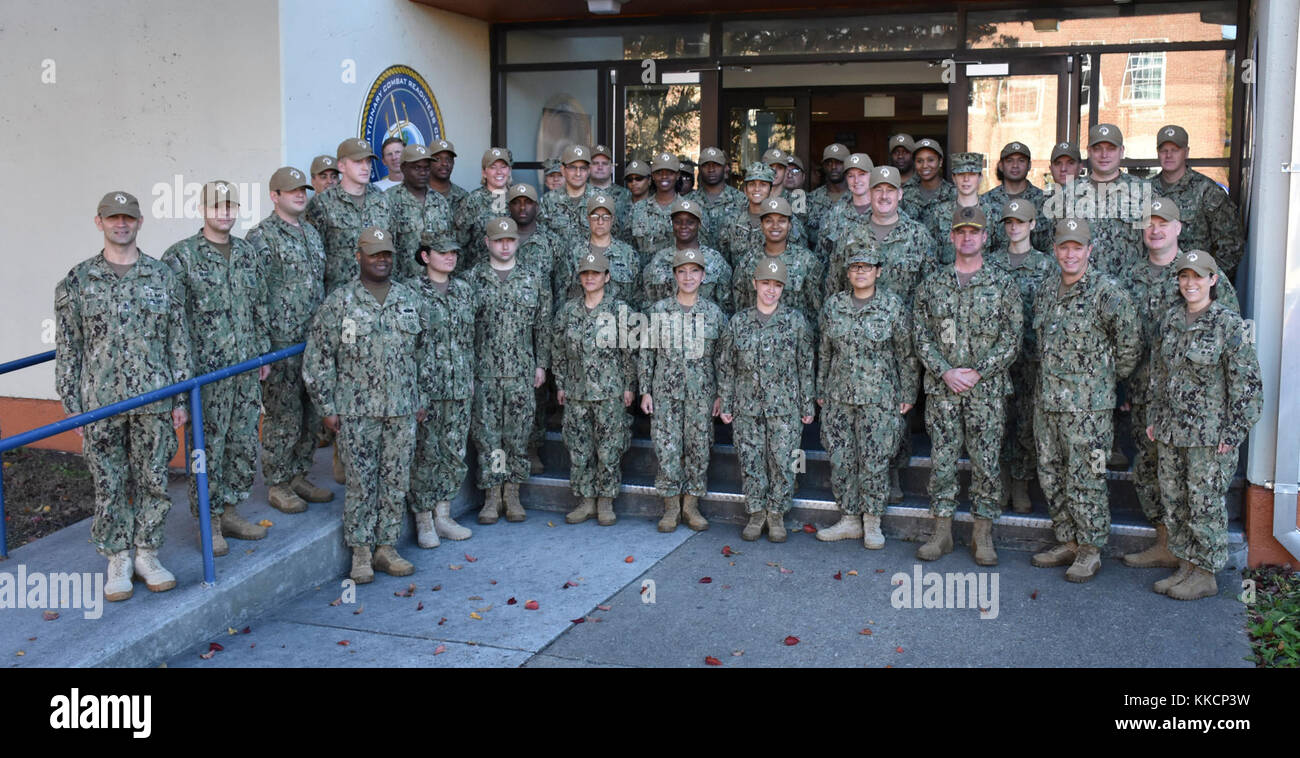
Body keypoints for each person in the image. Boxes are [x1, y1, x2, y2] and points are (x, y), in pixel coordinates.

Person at [55, 191, 191, 600]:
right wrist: (73, 407)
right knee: (109, 482)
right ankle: (117, 557)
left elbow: (178, 341)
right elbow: (69, 349)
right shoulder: (77, 281)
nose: (121, 224)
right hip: (101, 402)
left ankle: (147, 553)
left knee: (153, 479)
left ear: (139, 222)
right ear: (99, 222)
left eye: (128, 218)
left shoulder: (162, 276)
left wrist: (180, 398)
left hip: (154, 399)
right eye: (113, 218)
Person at [1121, 197, 1240, 569]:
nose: (1155, 230)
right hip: (1147, 397)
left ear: (1178, 228)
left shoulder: (1199, 272)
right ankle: (1166, 543)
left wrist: (1228, 414)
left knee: (1195, 484)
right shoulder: (1131, 276)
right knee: (1151, 474)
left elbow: (1231, 344)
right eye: (1149, 223)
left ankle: (1196, 561)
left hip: (1197, 408)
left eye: (1163, 223)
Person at [302, 227, 426, 583]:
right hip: (356, 411)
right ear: (359, 257)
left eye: (387, 253)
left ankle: (386, 546)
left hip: (402, 408)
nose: (382, 259)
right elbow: (319, 359)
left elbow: (425, 353)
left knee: (395, 479)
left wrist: (421, 398)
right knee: (361, 483)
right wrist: (326, 406)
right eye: (374, 254)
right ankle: (360, 552)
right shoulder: (340, 302)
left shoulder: (409, 299)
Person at [162, 181, 271, 555]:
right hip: (205, 375)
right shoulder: (181, 257)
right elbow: (172, 322)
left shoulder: (245, 252)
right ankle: (207, 521)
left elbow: (259, 305)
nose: (224, 212)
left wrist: (262, 355)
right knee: (207, 447)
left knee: (241, 442)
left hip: (243, 369)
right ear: (203, 210)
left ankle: (230, 511)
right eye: (217, 206)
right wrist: (181, 377)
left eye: (230, 205)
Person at [1146, 251, 1261, 600]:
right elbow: (1158, 374)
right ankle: (1187, 566)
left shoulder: (1228, 324)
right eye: (1184, 276)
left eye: (1198, 276)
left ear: (1213, 280)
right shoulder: (1170, 321)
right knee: (1176, 501)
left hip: (1209, 437)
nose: (1190, 283)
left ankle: (1206, 573)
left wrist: (1233, 431)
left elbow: (1248, 385)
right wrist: (1153, 417)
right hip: (1171, 430)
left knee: (1205, 504)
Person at [1030, 218, 1141, 582]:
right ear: (1055, 250)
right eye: (1064, 246)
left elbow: (1129, 346)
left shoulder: (1108, 293)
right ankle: (1068, 540)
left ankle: (1090, 549)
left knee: (1087, 478)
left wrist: (1102, 382)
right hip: (1047, 402)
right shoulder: (1047, 289)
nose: (1070, 254)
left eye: (1077, 247)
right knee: (1051, 474)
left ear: (1089, 251)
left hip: (1088, 409)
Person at [912, 205, 1022, 566]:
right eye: (961, 231)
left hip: (985, 390)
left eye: (974, 231)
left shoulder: (1003, 284)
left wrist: (979, 371)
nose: (967, 237)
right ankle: (941, 532)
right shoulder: (933, 284)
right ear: (952, 237)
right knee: (942, 460)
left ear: (986, 237)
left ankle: (982, 534)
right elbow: (921, 335)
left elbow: (1012, 337)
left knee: (986, 461)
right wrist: (945, 371)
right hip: (943, 389)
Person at [814, 244, 918, 549]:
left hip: (880, 397)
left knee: (874, 460)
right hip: (838, 395)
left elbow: (906, 354)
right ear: (848, 272)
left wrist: (908, 391)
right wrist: (820, 389)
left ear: (878, 271)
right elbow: (825, 350)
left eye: (867, 266)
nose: (860, 271)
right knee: (841, 458)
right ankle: (849, 519)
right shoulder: (834, 306)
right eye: (855, 267)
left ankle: (872, 522)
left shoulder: (893, 306)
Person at [246, 167, 333, 515]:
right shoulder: (262, 237)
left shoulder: (311, 233)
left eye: (303, 189)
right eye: (291, 190)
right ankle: (278, 482)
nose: (300, 194)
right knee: (284, 415)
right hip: (281, 344)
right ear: (275, 196)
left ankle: (299, 474)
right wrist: (263, 350)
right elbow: (256, 296)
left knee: (310, 414)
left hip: (313, 341)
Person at [717, 257, 816, 542]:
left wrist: (807, 404)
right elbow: (726, 365)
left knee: (784, 461)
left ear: (783, 288)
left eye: (776, 285)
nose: (770, 290)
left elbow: (805, 364)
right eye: (765, 284)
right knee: (751, 460)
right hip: (747, 406)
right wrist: (726, 401)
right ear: (754, 284)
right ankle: (756, 512)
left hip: (785, 406)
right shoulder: (738, 323)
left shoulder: (795, 322)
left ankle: (776, 514)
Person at [466, 217, 551, 524]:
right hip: (484, 372)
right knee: (488, 438)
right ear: (487, 243)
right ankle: (492, 495)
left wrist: (542, 363)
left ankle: (512, 493)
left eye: (510, 240)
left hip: (521, 371)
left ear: (517, 243)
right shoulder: (472, 279)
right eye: (498, 240)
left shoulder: (532, 279)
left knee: (517, 436)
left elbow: (543, 324)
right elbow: (464, 331)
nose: (504, 245)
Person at [640, 248, 727, 532]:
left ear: (703, 276)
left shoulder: (714, 314)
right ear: (674, 275)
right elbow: (646, 352)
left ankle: (691, 506)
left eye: (694, 271)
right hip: (665, 393)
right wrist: (645, 390)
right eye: (682, 271)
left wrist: (720, 394)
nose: (688, 277)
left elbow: (722, 358)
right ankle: (670, 506)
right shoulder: (658, 311)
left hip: (701, 395)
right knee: (667, 449)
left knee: (698, 448)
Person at [553, 250, 636, 526]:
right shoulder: (568, 311)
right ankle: (585, 499)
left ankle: (606, 501)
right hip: (577, 391)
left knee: (609, 447)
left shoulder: (619, 311)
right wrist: (561, 383)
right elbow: (559, 350)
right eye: (586, 274)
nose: (590, 278)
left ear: (606, 277)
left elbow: (629, 352)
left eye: (596, 273)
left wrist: (629, 385)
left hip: (610, 390)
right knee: (579, 447)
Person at [985, 199, 1057, 513]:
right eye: (1009, 222)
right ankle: (1000, 480)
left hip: (1032, 355)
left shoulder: (1047, 265)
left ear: (1032, 225)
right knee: (997, 420)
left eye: (1021, 222)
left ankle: (1021, 483)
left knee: (1027, 422)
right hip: (996, 355)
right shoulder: (990, 263)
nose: (1014, 227)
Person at [407, 235, 475, 548]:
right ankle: (423, 520)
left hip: (459, 385)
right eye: (442, 252)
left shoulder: (463, 291)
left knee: (453, 452)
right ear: (425, 256)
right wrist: (414, 392)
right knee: (425, 455)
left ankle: (443, 515)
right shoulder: (410, 293)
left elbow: (469, 338)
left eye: (453, 252)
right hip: (427, 390)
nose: (450, 257)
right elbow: (407, 347)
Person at [507, 182, 561, 473]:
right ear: (510, 206)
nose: (523, 207)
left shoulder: (550, 242)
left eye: (528, 202)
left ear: (537, 207)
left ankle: (533, 446)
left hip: (542, 322)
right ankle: (514, 451)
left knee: (538, 390)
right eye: (517, 202)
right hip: (509, 326)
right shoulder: (501, 238)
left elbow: (560, 284)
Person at [304, 137, 395, 293]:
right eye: (358, 162)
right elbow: (314, 259)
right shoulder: (322, 204)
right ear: (342, 166)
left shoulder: (383, 199)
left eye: (368, 161)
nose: (365, 167)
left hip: (379, 295)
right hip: (340, 297)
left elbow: (393, 247)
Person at [1153, 125, 1245, 277]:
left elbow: (1232, 244)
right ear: (1158, 153)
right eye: (1164, 150)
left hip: (1193, 286)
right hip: (1154, 284)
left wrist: (1208, 279)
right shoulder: (1145, 190)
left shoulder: (1207, 191)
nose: (1168, 155)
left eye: (1175, 150)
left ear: (1186, 152)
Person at [731, 196, 823, 321]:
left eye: (782, 221)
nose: (775, 226)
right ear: (762, 225)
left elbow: (816, 309)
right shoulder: (748, 262)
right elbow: (740, 305)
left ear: (789, 225)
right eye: (769, 221)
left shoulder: (806, 261)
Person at [641, 197, 733, 312]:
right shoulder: (659, 259)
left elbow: (726, 305)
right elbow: (648, 302)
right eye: (678, 222)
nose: (683, 226)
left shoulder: (715, 259)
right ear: (672, 224)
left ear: (699, 225)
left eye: (690, 222)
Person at [556, 194, 642, 311]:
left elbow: (637, 297)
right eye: (595, 216)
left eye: (605, 217)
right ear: (588, 219)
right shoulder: (574, 253)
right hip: (581, 322)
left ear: (612, 219)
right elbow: (561, 294)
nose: (600, 221)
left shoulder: (629, 255)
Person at [386, 142, 454, 282]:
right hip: (403, 285)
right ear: (403, 168)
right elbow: (386, 248)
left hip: (435, 284)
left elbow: (448, 244)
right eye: (417, 168)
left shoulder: (440, 201)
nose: (423, 172)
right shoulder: (388, 200)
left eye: (426, 168)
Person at [717, 162, 807, 268]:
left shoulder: (787, 221)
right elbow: (723, 262)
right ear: (745, 190)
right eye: (752, 184)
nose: (757, 189)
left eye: (763, 185)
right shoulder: (731, 221)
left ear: (770, 189)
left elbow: (800, 260)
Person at [925, 152, 999, 265]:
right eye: (961, 174)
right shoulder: (938, 213)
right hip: (946, 279)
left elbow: (1000, 253)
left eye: (972, 174)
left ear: (980, 178)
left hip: (984, 279)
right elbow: (930, 253)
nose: (966, 179)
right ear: (954, 178)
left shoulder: (993, 213)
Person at [631, 152, 700, 263]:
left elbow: (700, 247)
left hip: (682, 275)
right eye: (659, 173)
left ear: (678, 175)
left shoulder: (690, 209)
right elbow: (629, 248)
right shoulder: (638, 209)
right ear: (653, 176)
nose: (664, 176)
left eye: (669, 173)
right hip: (647, 277)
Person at [982, 141, 1051, 252]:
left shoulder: (1044, 201)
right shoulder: (985, 201)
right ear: (1001, 165)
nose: (1015, 165)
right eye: (1009, 161)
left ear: (1029, 165)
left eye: (1021, 160)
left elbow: (1049, 247)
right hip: (994, 267)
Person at [455, 147, 513, 274]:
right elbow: (459, 242)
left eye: (503, 166)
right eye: (493, 167)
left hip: (513, 278)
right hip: (480, 276)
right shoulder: (473, 200)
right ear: (484, 172)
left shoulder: (519, 199)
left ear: (509, 170)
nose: (499, 172)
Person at [539, 144, 598, 251]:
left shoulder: (600, 199)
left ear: (589, 171)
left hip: (592, 265)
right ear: (563, 170)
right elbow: (542, 239)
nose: (578, 173)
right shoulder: (548, 201)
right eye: (572, 167)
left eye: (583, 168)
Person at [689, 147, 745, 250]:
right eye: (706, 165)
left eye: (717, 165)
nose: (711, 169)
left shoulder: (741, 200)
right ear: (700, 169)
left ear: (725, 168)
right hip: (696, 262)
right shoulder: (688, 202)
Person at [805, 143, 851, 250]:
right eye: (829, 163)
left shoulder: (858, 198)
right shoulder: (811, 199)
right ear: (824, 167)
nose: (833, 167)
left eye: (839, 162)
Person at [898, 138, 954, 225]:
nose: (924, 165)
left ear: (940, 162)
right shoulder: (905, 194)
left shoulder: (952, 193)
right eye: (919, 161)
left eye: (930, 160)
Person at [428, 138, 468, 210]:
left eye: (448, 159)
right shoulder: (417, 194)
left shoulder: (463, 196)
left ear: (453, 163)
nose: (444, 163)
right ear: (428, 162)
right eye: (438, 159)